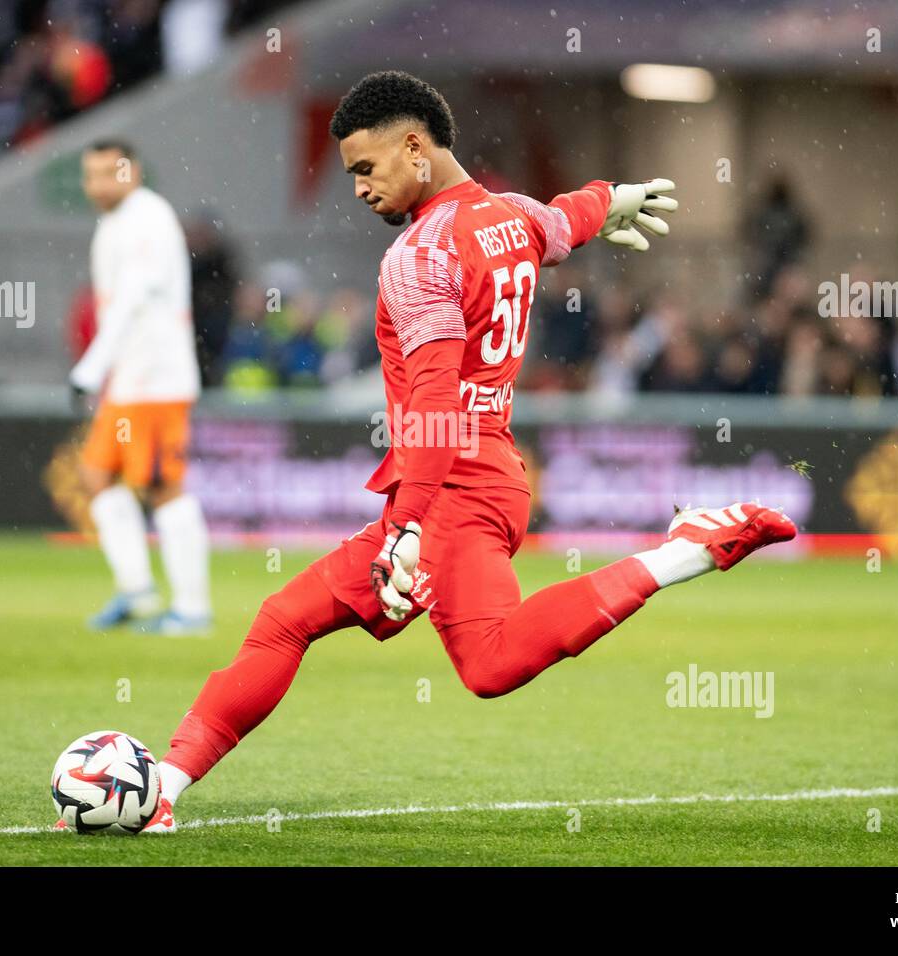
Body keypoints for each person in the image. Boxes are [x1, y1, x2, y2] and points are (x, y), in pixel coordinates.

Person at [137, 72, 795, 833]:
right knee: (287, 617)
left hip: (451, 484)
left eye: (365, 167)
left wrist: (409, 525)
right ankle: (167, 787)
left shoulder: (418, 258)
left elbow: (436, 402)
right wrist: (608, 198)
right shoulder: (505, 215)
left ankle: (688, 550)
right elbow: (559, 223)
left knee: (487, 663)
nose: (357, 188)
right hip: (481, 474)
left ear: (414, 146)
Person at [70, 139, 212, 636]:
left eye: (111, 172)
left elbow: (133, 298)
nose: (99, 184)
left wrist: (91, 366)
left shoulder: (147, 217)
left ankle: (192, 610)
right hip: (129, 380)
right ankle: (138, 591)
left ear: (134, 173)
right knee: (96, 475)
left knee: (163, 486)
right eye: (91, 175)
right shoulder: (117, 222)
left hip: (156, 376)